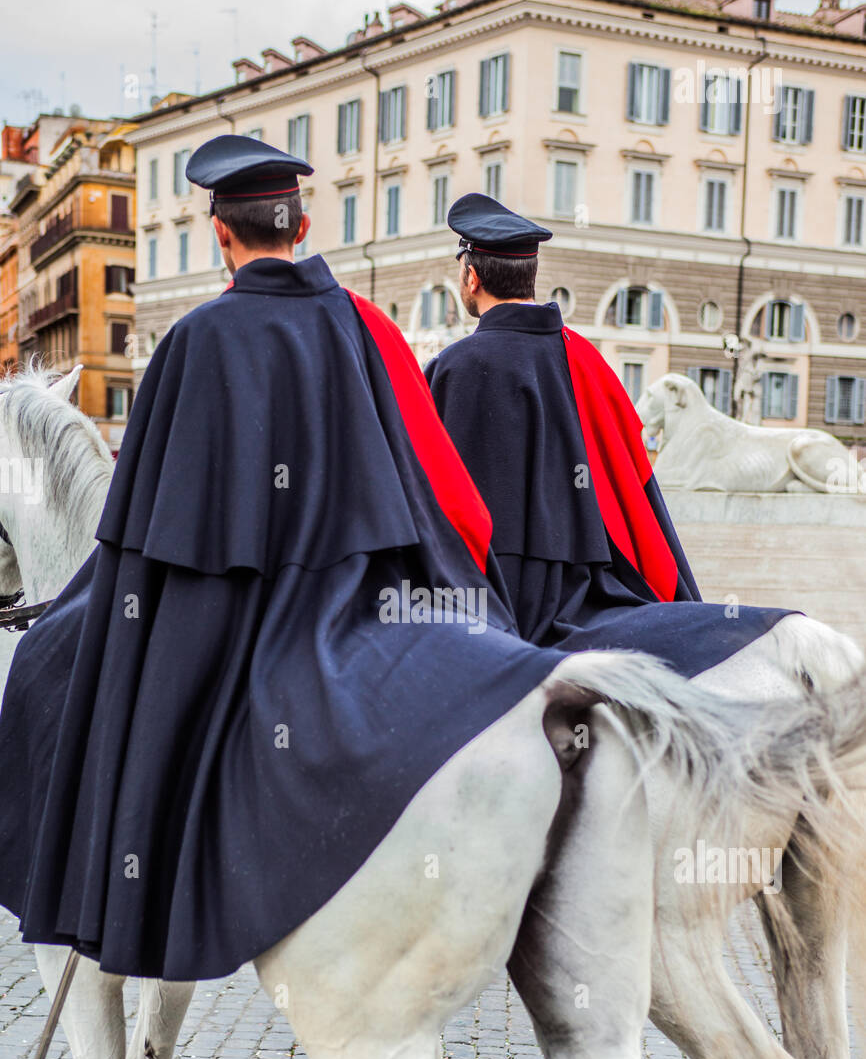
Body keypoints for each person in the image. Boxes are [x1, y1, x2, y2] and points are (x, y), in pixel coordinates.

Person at [0, 140, 563, 981]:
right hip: (348, 602)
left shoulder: (193, 341)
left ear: (218, 236)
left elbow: (139, 532)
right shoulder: (359, 330)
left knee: (49, 663)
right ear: (301, 225)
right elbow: (418, 486)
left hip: (227, 613)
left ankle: (114, 878)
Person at [424, 193, 788, 678]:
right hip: (590, 590)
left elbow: (431, 504)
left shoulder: (453, 368)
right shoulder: (587, 362)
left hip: (487, 604)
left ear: (472, 277)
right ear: (530, 276)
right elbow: (637, 491)